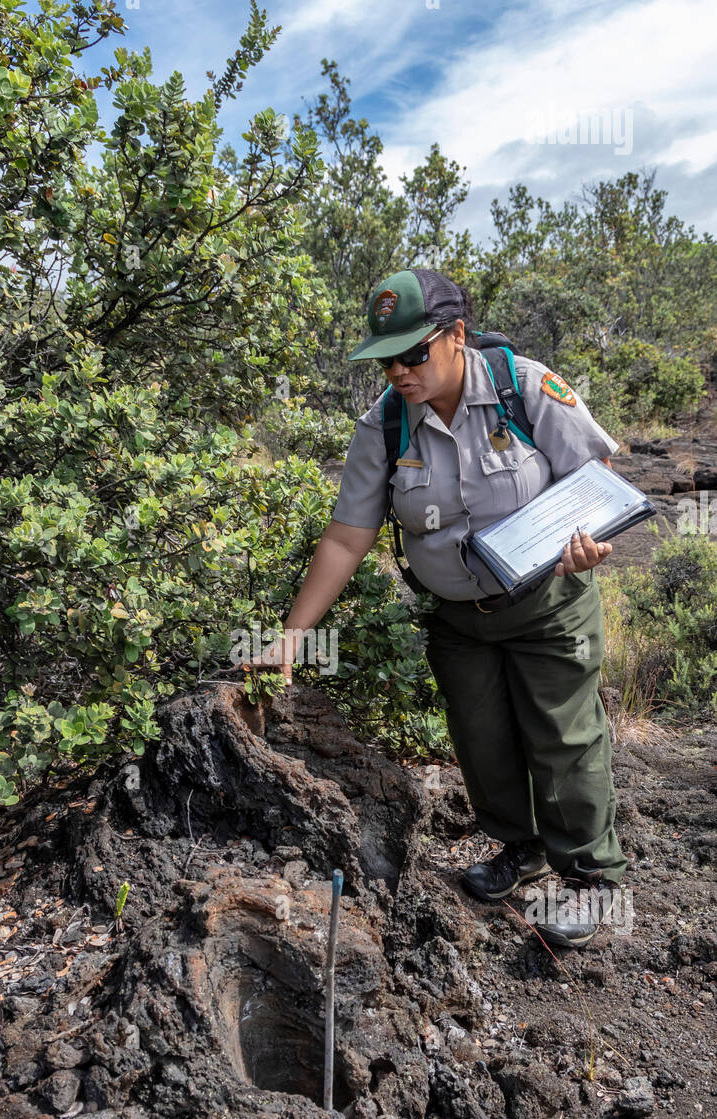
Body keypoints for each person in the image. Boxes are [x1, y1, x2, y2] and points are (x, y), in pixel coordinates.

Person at [261, 268, 628, 949]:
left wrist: (590, 542)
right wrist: (291, 637)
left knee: (564, 738)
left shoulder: (524, 387)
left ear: (456, 335)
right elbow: (348, 535)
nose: (399, 371)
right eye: (387, 358)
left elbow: (597, 480)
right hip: (459, 617)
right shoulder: (386, 424)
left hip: (549, 604)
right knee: (481, 741)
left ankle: (591, 881)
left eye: (413, 354)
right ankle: (519, 850)